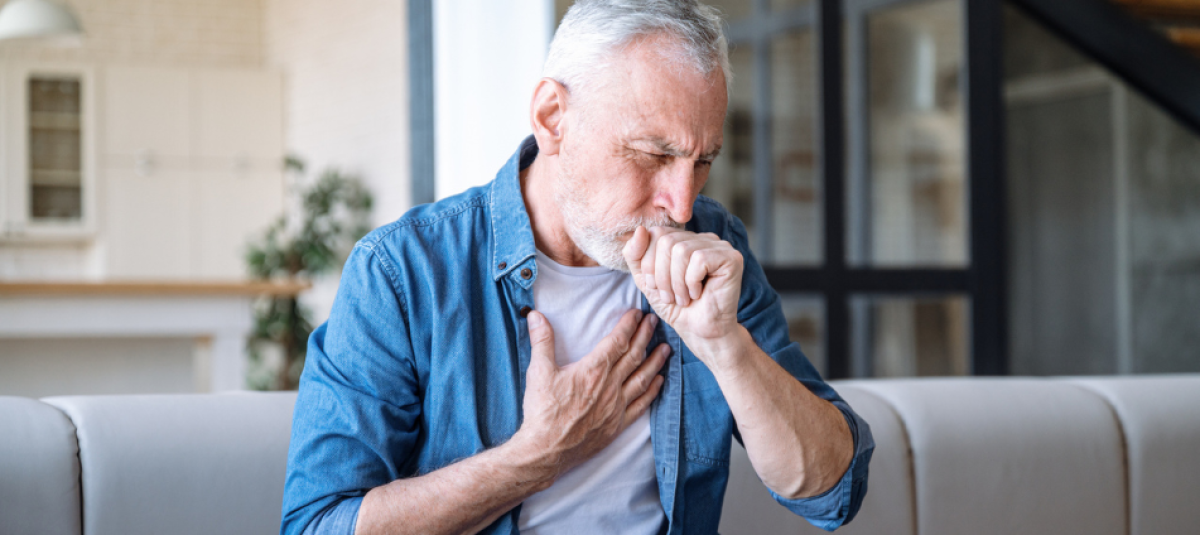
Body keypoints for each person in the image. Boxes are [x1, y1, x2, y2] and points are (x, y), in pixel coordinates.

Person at [280, 1, 873, 534]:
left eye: (702, 162)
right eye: (654, 154)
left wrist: (726, 347)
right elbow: (318, 524)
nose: (680, 204)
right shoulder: (402, 271)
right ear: (552, 117)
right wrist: (536, 456)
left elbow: (832, 493)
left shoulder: (711, 246)